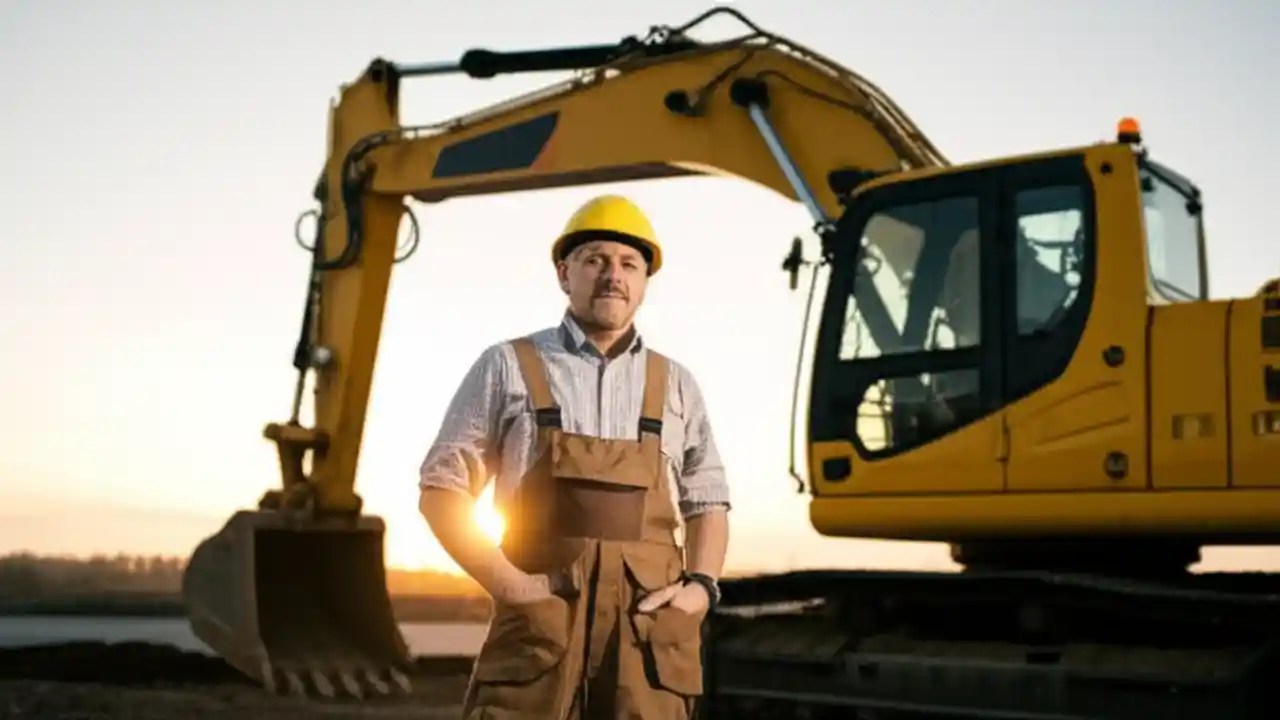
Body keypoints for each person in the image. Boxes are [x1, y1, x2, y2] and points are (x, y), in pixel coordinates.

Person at [417, 194, 732, 719]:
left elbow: (709, 501)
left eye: (630, 263)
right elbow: (440, 490)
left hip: (644, 637)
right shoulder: (508, 365)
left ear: (644, 283)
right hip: (540, 631)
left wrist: (699, 590)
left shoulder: (676, 384)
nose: (614, 275)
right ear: (565, 274)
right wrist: (513, 588)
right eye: (595, 260)